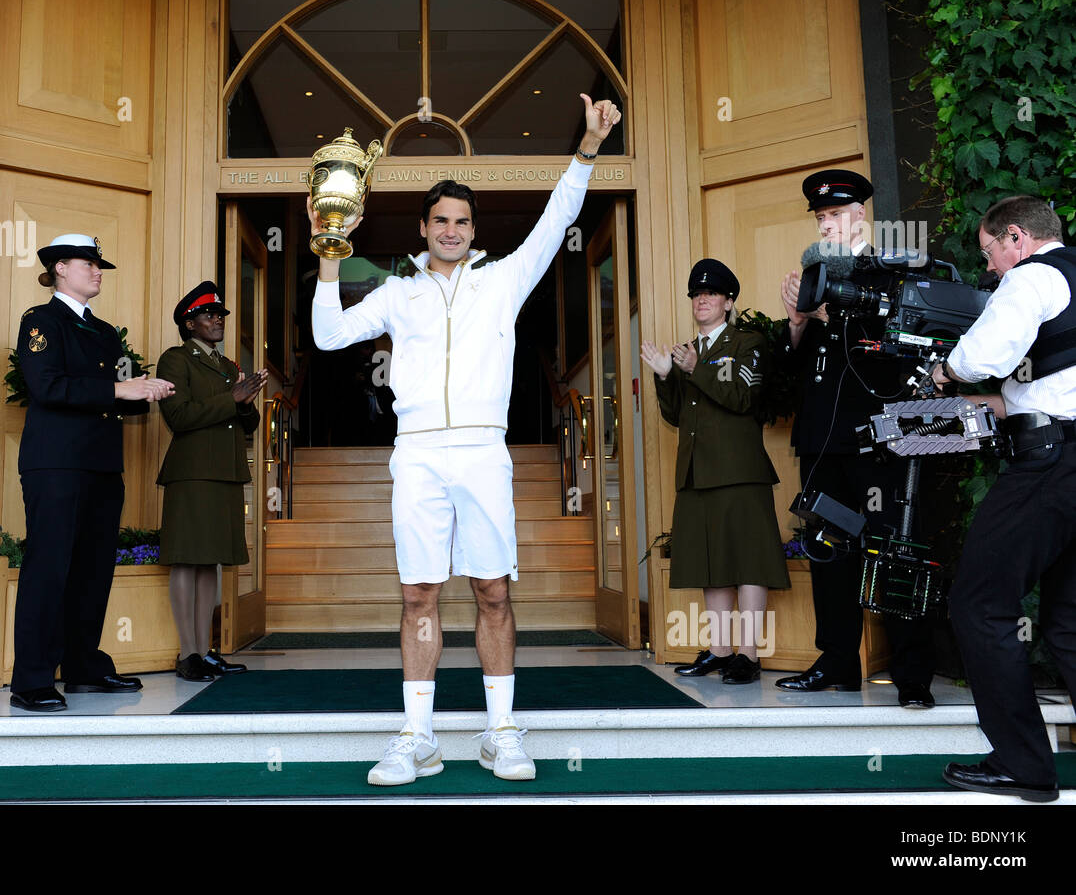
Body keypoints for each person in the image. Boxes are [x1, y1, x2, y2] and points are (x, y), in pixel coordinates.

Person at [310, 93, 621, 785]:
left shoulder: (504, 280)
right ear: (422, 227)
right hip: (418, 450)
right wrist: (329, 252)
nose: (451, 230)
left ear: (474, 230)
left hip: (483, 449)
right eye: (440, 220)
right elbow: (328, 335)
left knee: (492, 591)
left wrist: (590, 146)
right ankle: (416, 737)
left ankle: (501, 729)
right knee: (418, 594)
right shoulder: (396, 292)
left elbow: (557, 219)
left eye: (462, 221)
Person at [931, 196, 1076, 803]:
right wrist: (1007, 403)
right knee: (1070, 623)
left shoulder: (1033, 276)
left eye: (990, 253)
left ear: (1015, 237)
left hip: (1048, 463)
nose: (991, 269)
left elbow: (981, 357)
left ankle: (1023, 765)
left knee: (980, 604)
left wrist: (946, 371)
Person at [775, 170, 937, 707]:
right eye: (821, 218)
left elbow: (904, 343)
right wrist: (797, 324)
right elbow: (795, 371)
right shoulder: (813, 271)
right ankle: (838, 662)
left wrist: (830, 313)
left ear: (861, 216)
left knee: (895, 550)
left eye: (836, 216)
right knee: (828, 552)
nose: (828, 224)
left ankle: (911, 672)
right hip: (823, 437)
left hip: (879, 437)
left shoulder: (893, 268)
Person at [11, 233, 175, 712]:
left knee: (92, 569)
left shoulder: (103, 332)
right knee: (49, 567)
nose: (98, 270)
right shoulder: (41, 322)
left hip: (101, 463)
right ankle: (32, 679)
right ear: (60, 268)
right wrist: (121, 390)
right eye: (89, 263)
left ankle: (82, 665)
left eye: (99, 265)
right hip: (56, 463)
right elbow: (46, 386)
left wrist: (144, 394)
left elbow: (110, 398)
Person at [642, 259, 788, 684]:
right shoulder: (689, 351)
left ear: (727, 302)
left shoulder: (747, 343)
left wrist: (692, 369)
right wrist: (666, 377)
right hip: (696, 472)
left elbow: (742, 397)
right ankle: (720, 651)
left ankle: (749, 655)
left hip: (739, 471)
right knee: (712, 565)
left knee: (749, 563)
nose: (701, 299)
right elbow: (675, 416)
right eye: (695, 294)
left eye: (710, 294)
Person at [155, 282, 266, 681]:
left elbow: (243, 422)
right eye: (208, 315)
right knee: (188, 560)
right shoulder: (175, 360)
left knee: (211, 565)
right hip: (193, 472)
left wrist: (247, 403)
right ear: (189, 323)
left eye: (221, 315)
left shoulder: (226, 365)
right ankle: (188, 654)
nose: (217, 320)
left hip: (225, 471)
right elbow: (179, 417)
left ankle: (205, 650)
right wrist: (232, 399)